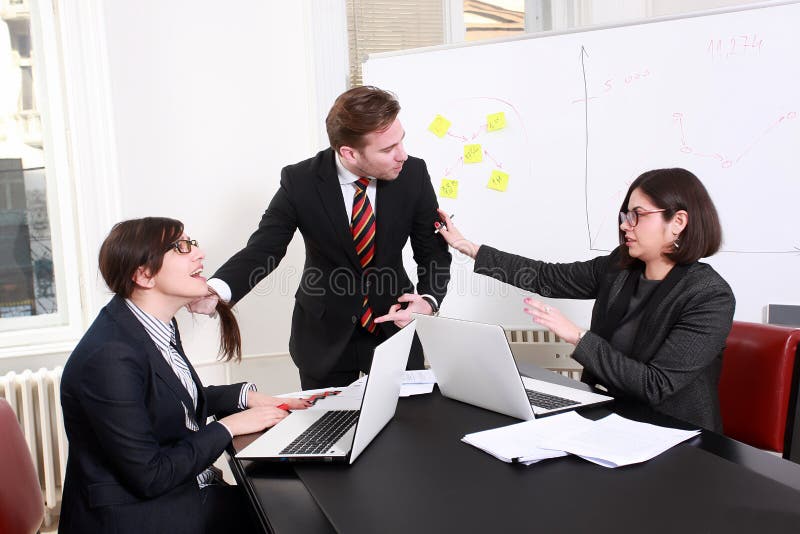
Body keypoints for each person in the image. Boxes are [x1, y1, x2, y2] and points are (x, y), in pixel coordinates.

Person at [59, 218, 310, 534]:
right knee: (294, 517)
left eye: (192, 242)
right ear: (144, 275)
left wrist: (246, 397)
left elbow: (169, 397)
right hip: (140, 515)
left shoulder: (153, 324)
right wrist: (229, 426)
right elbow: (151, 475)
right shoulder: (109, 358)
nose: (200, 253)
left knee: (291, 503)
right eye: (181, 247)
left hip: (182, 491)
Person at [191, 86, 451, 389]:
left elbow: (431, 251)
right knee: (328, 431)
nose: (402, 155)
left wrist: (430, 301)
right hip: (323, 335)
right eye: (387, 149)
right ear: (349, 152)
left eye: (401, 140)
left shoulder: (413, 174)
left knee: (407, 427)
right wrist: (219, 289)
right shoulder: (300, 181)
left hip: (395, 327)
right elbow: (265, 248)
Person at [436, 168, 735, 431]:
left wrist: (578, 337)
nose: (624, 225)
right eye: (625, 215)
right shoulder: (619, 267)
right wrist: (470, 248)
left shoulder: (709, 295)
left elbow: (655, 385)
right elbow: (545, 277)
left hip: (672, 433)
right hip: (607, 415)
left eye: (638, 215)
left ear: (678, 221)